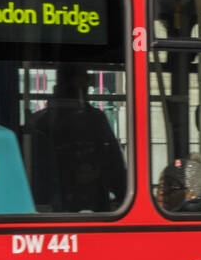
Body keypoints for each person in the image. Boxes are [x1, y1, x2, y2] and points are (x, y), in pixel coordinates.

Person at [27, 64, 126, 213]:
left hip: (90, 205)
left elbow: (113, 165)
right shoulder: (44, 122)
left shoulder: (95, 119)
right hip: (60, 205)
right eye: (77, 88)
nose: (82, 92)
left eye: (84, 87)